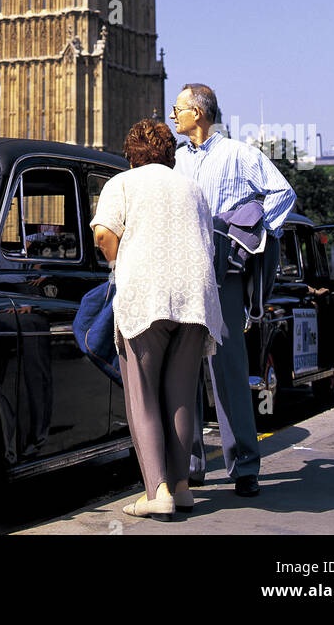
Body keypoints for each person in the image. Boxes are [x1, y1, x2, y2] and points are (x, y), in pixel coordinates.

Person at [91, 118, 222, 519]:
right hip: (195, 297)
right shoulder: (193, 188)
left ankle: (156, 491)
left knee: (142, 395)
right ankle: (182, 488)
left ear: (131, 155)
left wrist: (116, 261)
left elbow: (102, 235)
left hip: (147, 294)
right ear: (169, 153)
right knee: (181, 395)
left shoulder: (123, 183)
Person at [171, 83, 296, 498]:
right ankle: (192, 466)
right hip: (185, 274)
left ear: (199, 114)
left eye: (179, 109)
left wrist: (254, 236)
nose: (174, 116)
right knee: (183, 372)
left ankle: (244, 466)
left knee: (228, 373)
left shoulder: (239, 154)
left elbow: (282, 193)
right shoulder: (176, 161)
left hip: (224, 276)